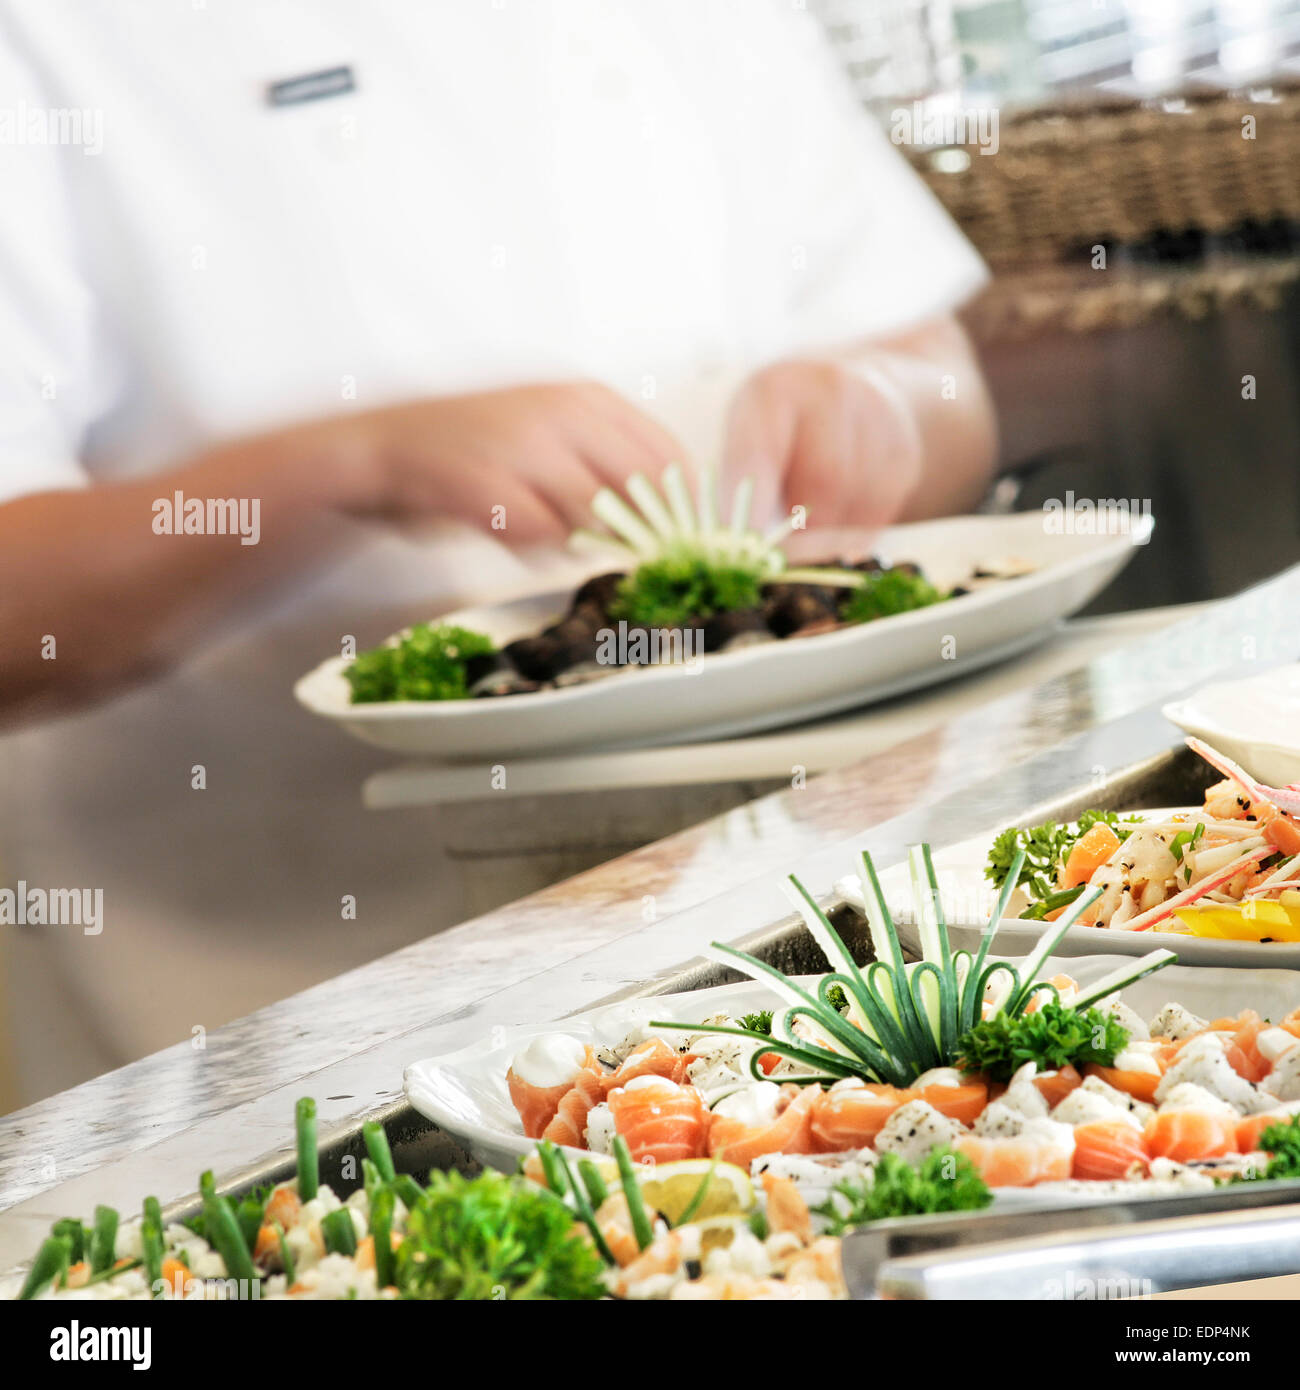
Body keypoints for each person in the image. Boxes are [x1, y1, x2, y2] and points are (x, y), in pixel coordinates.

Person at [0, 0, 995, 1103]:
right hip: (275, 1030)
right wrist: (351, 460)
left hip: (798, 950)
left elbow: (933, 364)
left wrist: (885, 402)